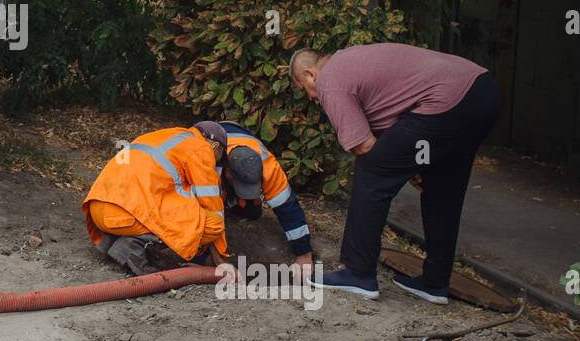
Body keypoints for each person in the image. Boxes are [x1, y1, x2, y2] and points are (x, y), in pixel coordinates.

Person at [289, 43, 499, 303]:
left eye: (303, 88)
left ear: (310, 74)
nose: (310, 97)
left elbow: (363, 145)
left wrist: (400, 166)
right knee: (442, 188)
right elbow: (400, 142)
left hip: (447, 99)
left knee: (371, 169)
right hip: (482, 91)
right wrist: (412, 167)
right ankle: (434, 283)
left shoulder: (329, 80)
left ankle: (358, 272)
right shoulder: (353, 60)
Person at [82, 121, 231, 276]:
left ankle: (112, 240)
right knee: (213, 224)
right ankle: (131, 246)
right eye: (219, 157)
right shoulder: (201, 147)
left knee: (173, 208)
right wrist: (219, 256)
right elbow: (212, 204)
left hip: (98, 210)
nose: (216, 163)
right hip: (125, 216)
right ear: (214, 146)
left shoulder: (161, 136)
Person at [217, 122, 313, 268]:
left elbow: (289, 209)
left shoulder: (269, 167)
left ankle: (237, 206)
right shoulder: (208, 168)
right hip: (212, 136)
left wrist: (304, 255)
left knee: (252, 212)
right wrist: (217, 259)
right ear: (228, 171)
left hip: (238, 133)